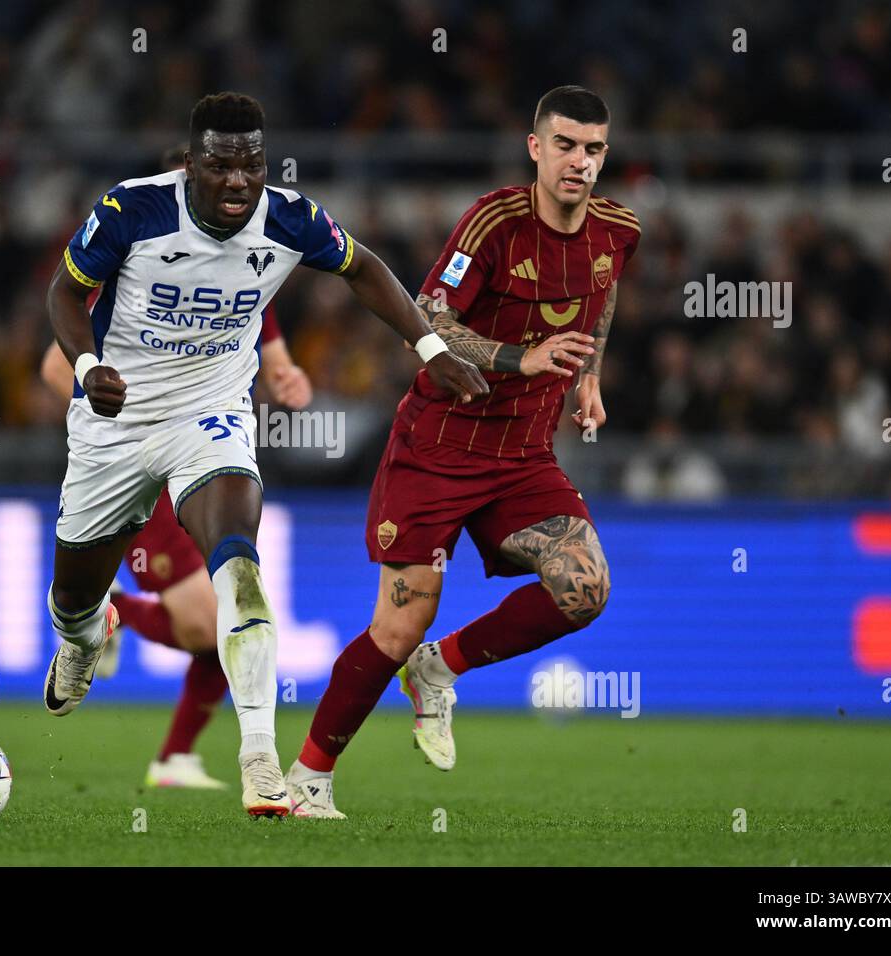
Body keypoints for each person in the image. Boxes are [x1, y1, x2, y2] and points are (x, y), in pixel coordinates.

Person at [42, 91, 486, 817]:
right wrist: (90, 368)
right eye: (221, 166)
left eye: (252, 165)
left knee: (240, 571)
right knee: (71, 600)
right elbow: (65, 292)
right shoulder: (132, 209)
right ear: (192, 165)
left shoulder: (289, 218)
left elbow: (364, 268)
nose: (239, 181)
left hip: (211, 416)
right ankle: (84, 638)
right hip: (113, 425)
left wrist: (430, 347)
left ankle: (259, 759)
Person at [283, 86, 639, 819]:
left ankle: (439, 668)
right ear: (535, 148)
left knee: (585, 588)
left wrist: (590, 377)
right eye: (565, 145)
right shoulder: (494, 223)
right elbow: (430, 316)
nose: (579, 161)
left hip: (523, 455)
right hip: (440, 445)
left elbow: (602, 296)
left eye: (593, 149)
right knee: (399, 623)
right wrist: (519, 358)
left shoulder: (618, 229)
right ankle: (308, 780)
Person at [39, 143, 311, 789]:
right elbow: (54, 368)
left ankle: (177, 756)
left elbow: (270, 349)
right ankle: (108, 615)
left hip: (202, 453)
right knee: (202, 623)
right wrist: (118, 415)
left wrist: (286, 375)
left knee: (230, 610)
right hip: (136, 458)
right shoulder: (129, 263)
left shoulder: (246, 270)